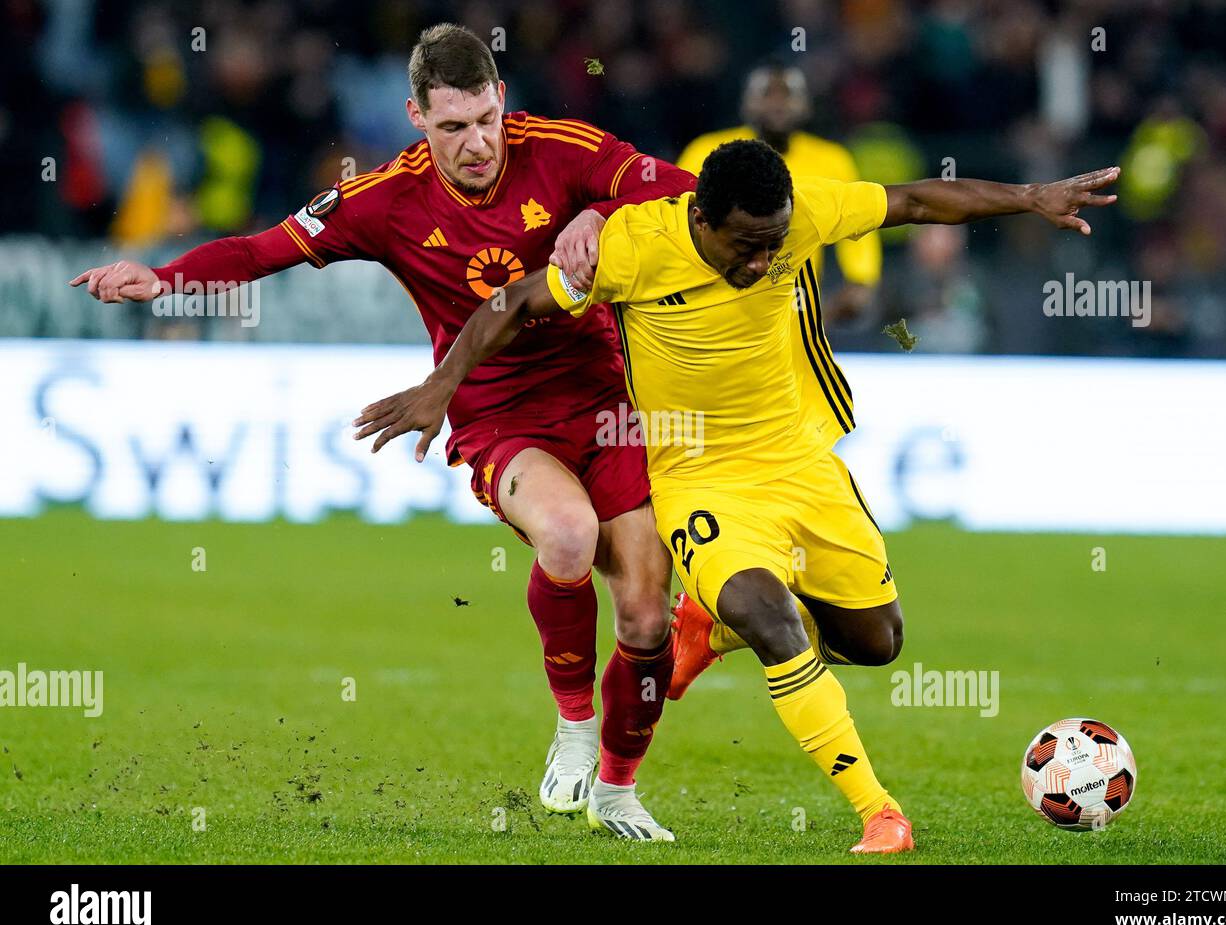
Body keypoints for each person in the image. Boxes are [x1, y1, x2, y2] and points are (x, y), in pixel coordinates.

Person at [354, 139, 1120, 854]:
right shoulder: (634, 247)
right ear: (699, 218)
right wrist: (441, 385)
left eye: (773, 243)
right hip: (697, 480)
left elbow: (913, 201)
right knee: (771, 615)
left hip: (801, 465)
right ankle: (879, 811)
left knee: (877, 643)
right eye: (745, 245)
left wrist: (1031, 195)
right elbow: (518, 301)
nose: (762, 260)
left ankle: (707, 629)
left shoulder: (800, 213)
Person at [69, 22, 699, 842]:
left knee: (648, 619)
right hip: (498, 413)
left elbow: (687, 191)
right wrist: (165, 277)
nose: (476, 144)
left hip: (609, 402)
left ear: (501, 99)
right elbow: (268, 249)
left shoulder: (565, 148)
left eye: (485, 120)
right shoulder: (381, 199)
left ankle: (617, 791)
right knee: (570, 537)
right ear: (414, 117)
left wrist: (607, 214)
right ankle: (575, 729)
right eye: (451, 128)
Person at [678, 62, 881, 324]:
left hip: (795, 308)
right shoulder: (705, 151)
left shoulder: (832, 160)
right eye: (767, 94)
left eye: (787, 94)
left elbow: (858, 223)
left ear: (806, 104)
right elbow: (676, 218)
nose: (777, 103)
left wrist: (860, 281)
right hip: (716, 301)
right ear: (746, 103)